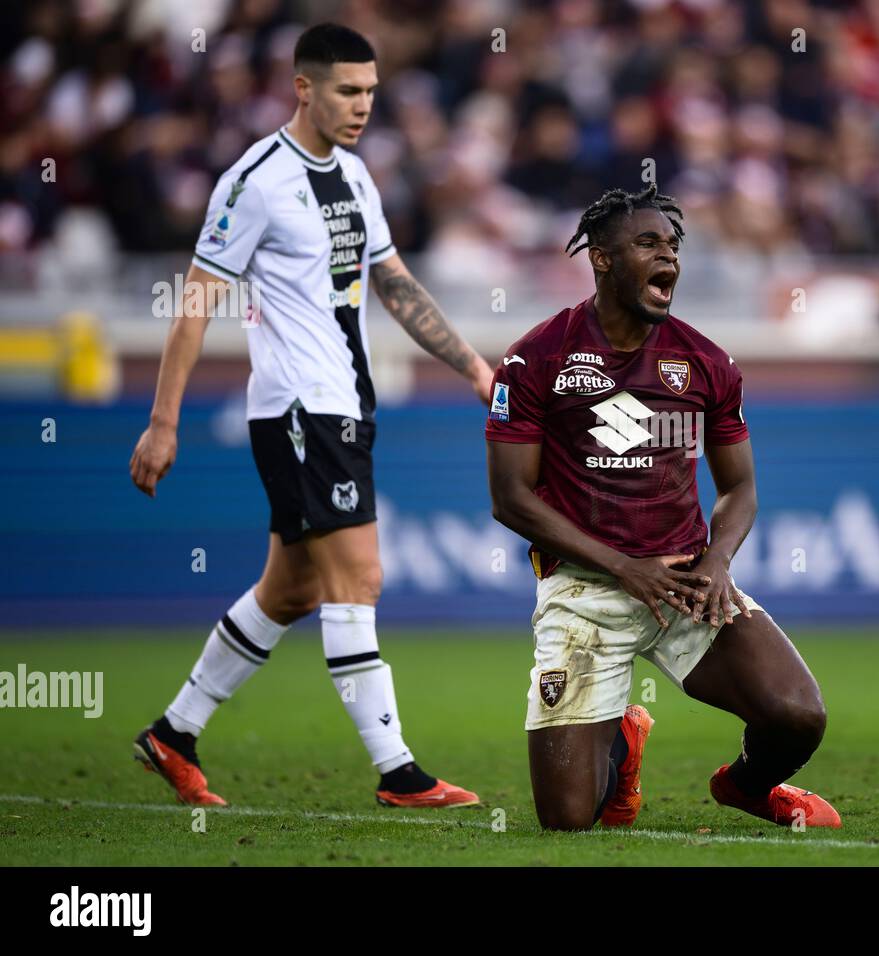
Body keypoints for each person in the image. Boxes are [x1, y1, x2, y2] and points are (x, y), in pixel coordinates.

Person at [128, 23, 494, 806]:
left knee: (289, 590)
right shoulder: (254, 180)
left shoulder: (358, 177)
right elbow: (196, 303)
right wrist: (165, 421)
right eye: (346, 92)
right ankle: (398, 771)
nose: (363, 106)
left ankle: (173, 732)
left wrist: (469, 362)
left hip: (344, 406)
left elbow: (393, 284)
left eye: (369, 92)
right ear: (303, 88)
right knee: (358, 577)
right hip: (299, 410)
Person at [485, 184, 841, 829]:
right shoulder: (535, 357)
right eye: (648, 244)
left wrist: (717, 562)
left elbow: (740, 490)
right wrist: (624, 567)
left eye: (673, 246)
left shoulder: (704, 361)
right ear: (600, 258)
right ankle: (623, 744)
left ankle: (746, 786)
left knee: (798, 715)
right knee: (567, 821)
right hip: (584, 590)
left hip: (683, 582)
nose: (668, 258)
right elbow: (510, 499)